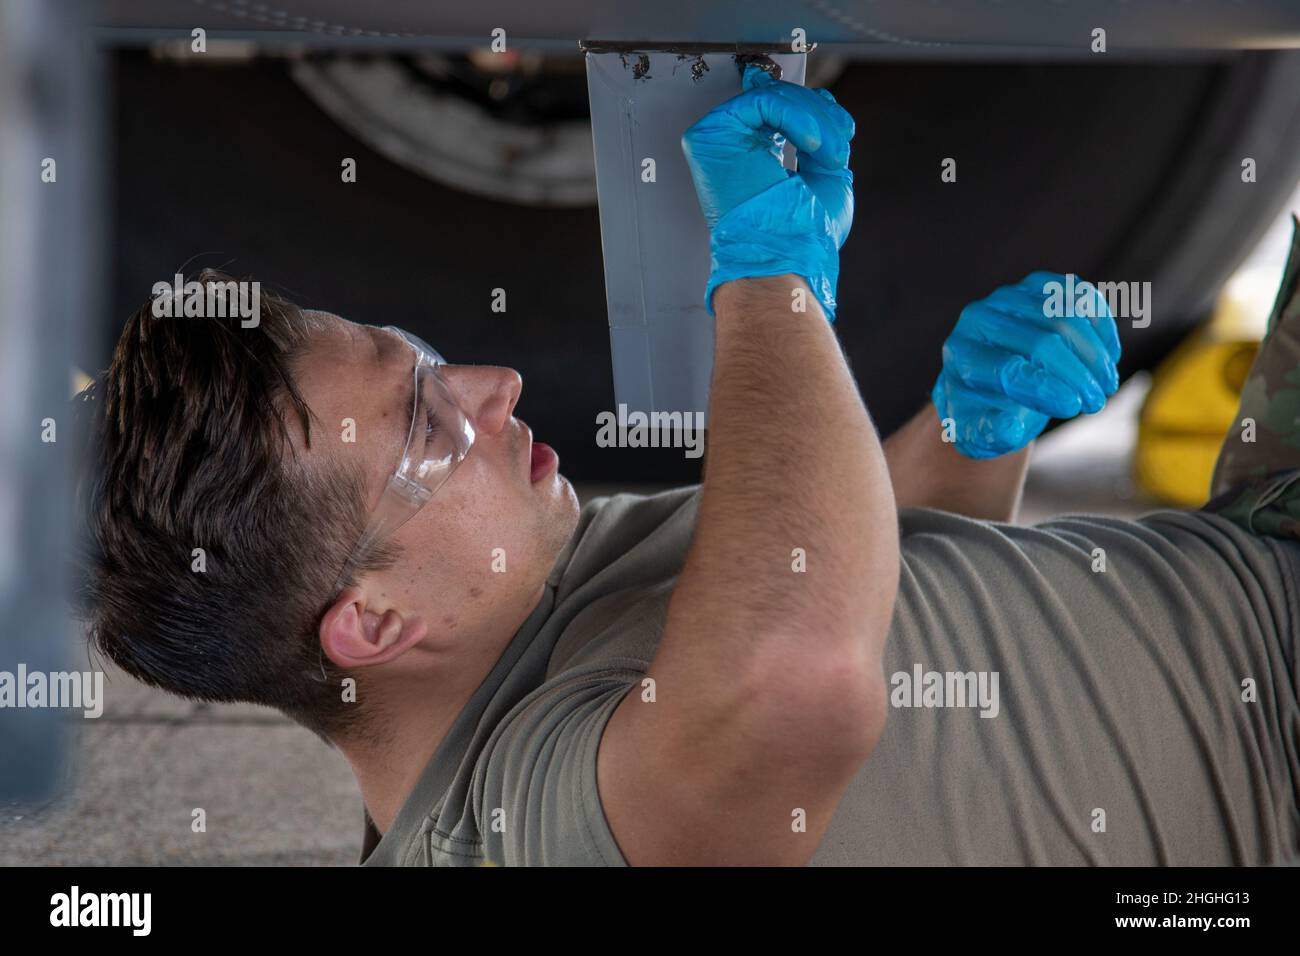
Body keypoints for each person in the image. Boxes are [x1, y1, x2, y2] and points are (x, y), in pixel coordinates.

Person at [74, 66, 1299, 866]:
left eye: (432, 360)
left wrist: (967, 437)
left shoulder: (530, 602)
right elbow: (795, 676)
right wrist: (768, 275)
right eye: (427, 425)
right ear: (375, 620)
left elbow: (855, 615)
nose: (492, 387)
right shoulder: (515, 838)